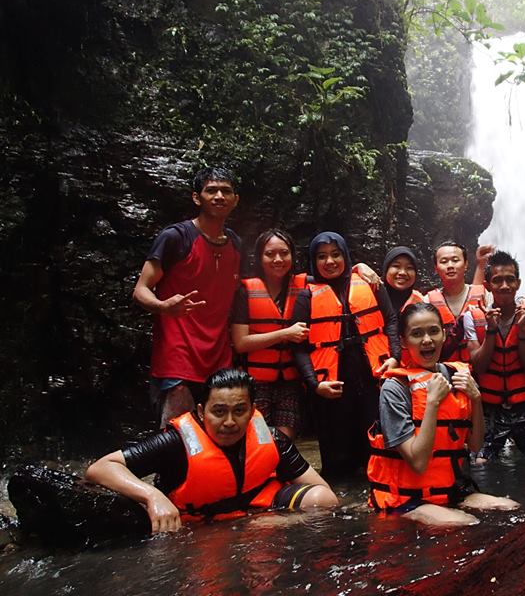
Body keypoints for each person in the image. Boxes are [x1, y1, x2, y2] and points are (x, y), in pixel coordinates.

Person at [84, 368, 338, 534]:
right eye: (218, 411)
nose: (229, 421)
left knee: (321, 501)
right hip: (196, 523)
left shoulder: (270, 438)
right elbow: (100, 468)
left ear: (252, 411)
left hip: (259, 513)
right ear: (200, 411)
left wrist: (266, 523)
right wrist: (152, 496)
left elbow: (326, 494)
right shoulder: (177, 442)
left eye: (239, 411)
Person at [368, 303, 519, 525]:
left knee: (510, 509)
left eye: (433, 331)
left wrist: (476, 399)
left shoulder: (457, 375)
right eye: (417, 334)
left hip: (451, 490)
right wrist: (432, 403)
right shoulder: (395, 387)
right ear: (402, 341)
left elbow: (476, 446)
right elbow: (418, 463)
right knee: (464, 522)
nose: (427, 340)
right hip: (406, 498)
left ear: (444, 334)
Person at [133, 166, 242, 427]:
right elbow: (140, 289)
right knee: (177, 438)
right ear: (197, 197)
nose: (219, 196)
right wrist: (162, 306)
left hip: (219, 359)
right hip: (177, 357)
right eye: (211, 190)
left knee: (219, 437)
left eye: (226, 191)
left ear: (235, 200)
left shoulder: (236, 244)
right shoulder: (176, 237)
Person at [292, 231, 400, 482]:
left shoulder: (368, 282)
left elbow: (391, 319)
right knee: (337, 456)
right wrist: (314, 384)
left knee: (375, 446)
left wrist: (394, 356)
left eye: (336, 254)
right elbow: (298, 346)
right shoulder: (306, 295)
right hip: (331, 387)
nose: (330, 261)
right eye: (322, 256)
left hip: (371, 379)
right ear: (313, 261)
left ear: (346, 256)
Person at [465, 250, 525, 463]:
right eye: (497, 280)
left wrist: (522, 332)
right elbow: (480, 366)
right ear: (487, 285)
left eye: (510, 280)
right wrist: (491, 330)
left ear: (519, 282)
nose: (504, 286)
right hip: (489, 405)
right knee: (480, 463)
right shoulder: (472, 317)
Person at [230, 229, 309, 439]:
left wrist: (360, 268)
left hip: (290, 380)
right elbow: (240, 343)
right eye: (270, 254)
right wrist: (286, 333)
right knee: (258, 438)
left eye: (284, 253)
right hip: (254, 380)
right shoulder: (244, 291)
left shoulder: (305, 285)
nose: (278, 259)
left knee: (284, 440)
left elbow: (336, 274)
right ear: (259, 257)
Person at [424, 241, 487, 362]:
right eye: (443, 262)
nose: (450, 265)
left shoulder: (485, 296)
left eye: (455, 260)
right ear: (436, 268)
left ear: (466, 264)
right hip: (444, 370)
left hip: (479, 367)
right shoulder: (427, 301)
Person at [381, 246, 425, 318]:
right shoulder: (372, 295)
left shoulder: (423, 302)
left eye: (409, 268)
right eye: (396, 266)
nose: (403, 272)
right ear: (386, 270)